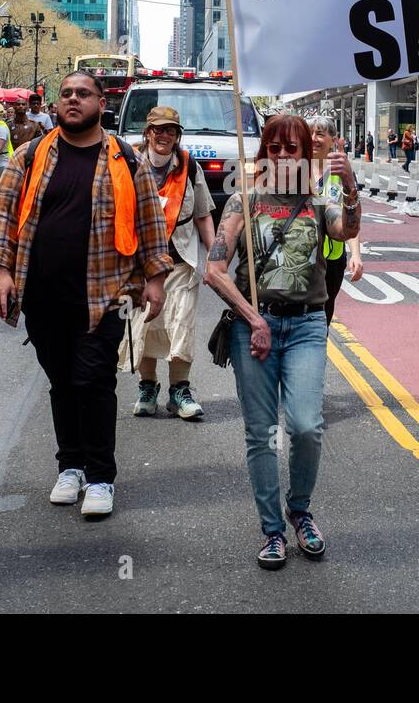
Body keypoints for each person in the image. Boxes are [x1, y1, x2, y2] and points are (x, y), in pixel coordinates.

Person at [0, 70, 171, 518]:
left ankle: (101, 475)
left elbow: (150, 222)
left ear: (100, 103)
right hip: (43, 295)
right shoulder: (30, 156)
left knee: (93, 381)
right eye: (66, 93)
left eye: (83, 93)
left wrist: (156, 278)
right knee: (62, 383)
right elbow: (2, 216)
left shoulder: (128, 160)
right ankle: (70, 466)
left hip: (106, 294)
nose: (73, 99)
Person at [205, 115, 361, 568]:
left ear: (305, 152)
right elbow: (215, 270)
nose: (284, 155)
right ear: (264, 153)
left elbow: (346, 231)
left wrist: (350, 186)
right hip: (254, 328)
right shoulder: (243, 200)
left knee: (306, 426)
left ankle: (301, 510)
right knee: (260, 434)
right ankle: (272, 531)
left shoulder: (319, 200)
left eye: (293, 147)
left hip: (308, 324)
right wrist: (253, 319)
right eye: (275, 147)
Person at [124, 106, 216, 420]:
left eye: (171, 131)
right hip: (140, 266)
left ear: (177, 136)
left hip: (181, 264)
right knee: (146, 326)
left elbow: (203, 214)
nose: (164, 136)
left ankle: (179, 391)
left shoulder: (189, 167)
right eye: (158, 130)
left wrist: (214, 258)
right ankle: (147, 388)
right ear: (147, 133)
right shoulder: (129, 162)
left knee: (182, 326)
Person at [307, 116, 365, 325]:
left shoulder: (341, 173)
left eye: (320, 134)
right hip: (303, 258)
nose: (314, 138)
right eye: (310, 133)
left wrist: (356, 255)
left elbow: (351, 214)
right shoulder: (295, 169)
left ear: (333, 140)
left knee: (324, 315)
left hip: (332, 259)